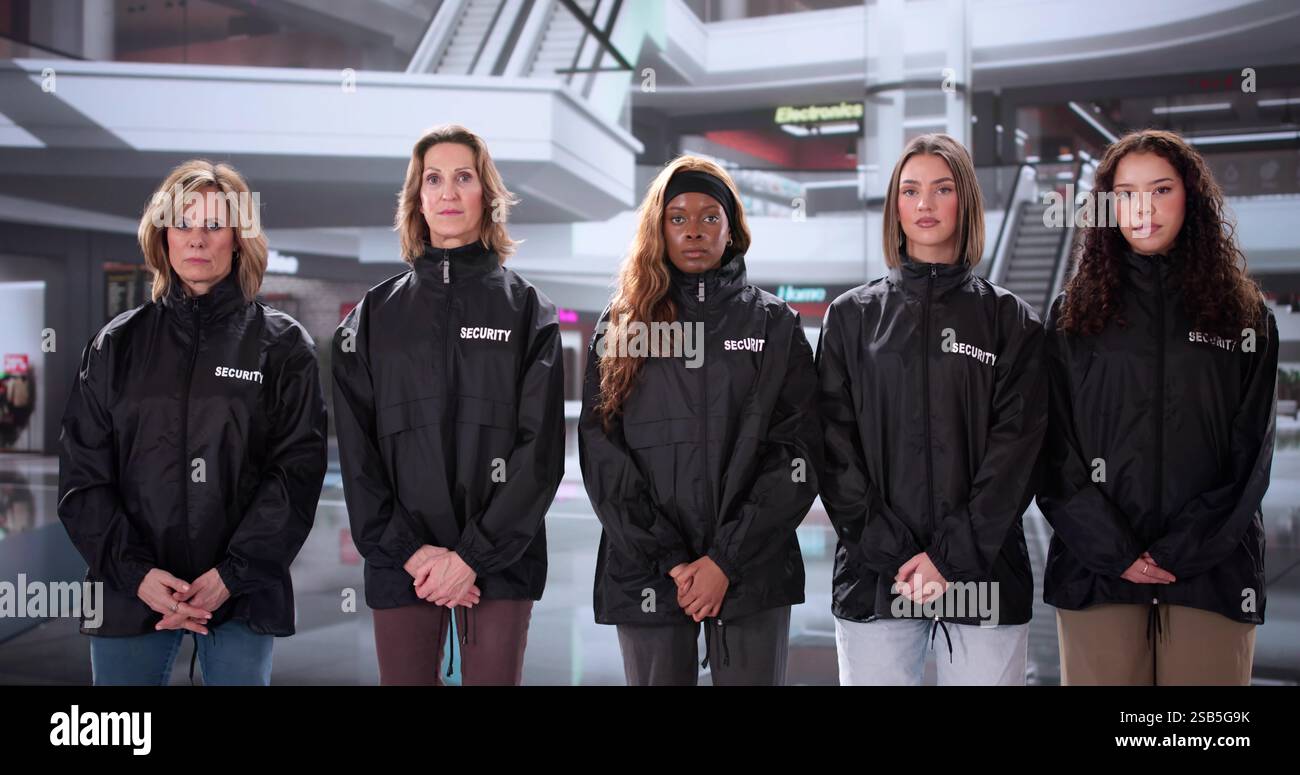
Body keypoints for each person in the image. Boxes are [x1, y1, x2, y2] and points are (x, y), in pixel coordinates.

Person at [58, 159, 327, 685]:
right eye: (183, 223)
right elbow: (83, 478)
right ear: (162, 236)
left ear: (238, 237)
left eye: (213, 224)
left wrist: (231, 575)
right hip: (129, 590)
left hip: (240, 592)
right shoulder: (116, 345)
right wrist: (138, 575)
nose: (196, 239)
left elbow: (295, 474)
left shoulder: (283, 346)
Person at [1037, 129, 1277, 685]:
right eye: (1126, 194)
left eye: (1161, 189)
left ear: (1190, 198)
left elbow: (1251, 456)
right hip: (1096, 571)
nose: (1142, 209)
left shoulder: (1242, 317)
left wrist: (1183, 549)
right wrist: (1113, 548)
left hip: (1213, 573)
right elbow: (1052, 450)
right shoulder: (1072, 316)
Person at [333, 124, 565, 686]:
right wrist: (412, 553)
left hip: (500, 564)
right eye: (432, 179)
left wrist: (471, 558)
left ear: (486, 193)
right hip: (400, 563)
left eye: (463, 177)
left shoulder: (529, 312)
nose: (448, 192)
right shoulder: (373, 317)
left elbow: (540, 455)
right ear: (417, 198)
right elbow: (358, 458)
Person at [579, 155, 821, 685]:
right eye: (678, 216)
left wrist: (724, 562)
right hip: (647, 571)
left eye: (710, 216)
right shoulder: (621, 325)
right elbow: (603, 455)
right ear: (658, 228)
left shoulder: (774, 324)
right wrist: (670, 559)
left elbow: (797, 453)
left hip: (751, 570)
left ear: (732, 228)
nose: (694, 230)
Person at [819, 133, 1047, 685]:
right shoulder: (851, 318)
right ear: (895, 206)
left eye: (942, 189)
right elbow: (830, 448)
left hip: (984, 575)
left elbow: (1017, 454)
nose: (924, 204)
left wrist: (950, 558)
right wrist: (893, 553)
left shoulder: (1011, 322)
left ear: (964, 201)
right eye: (911, 190)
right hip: (877, 578)